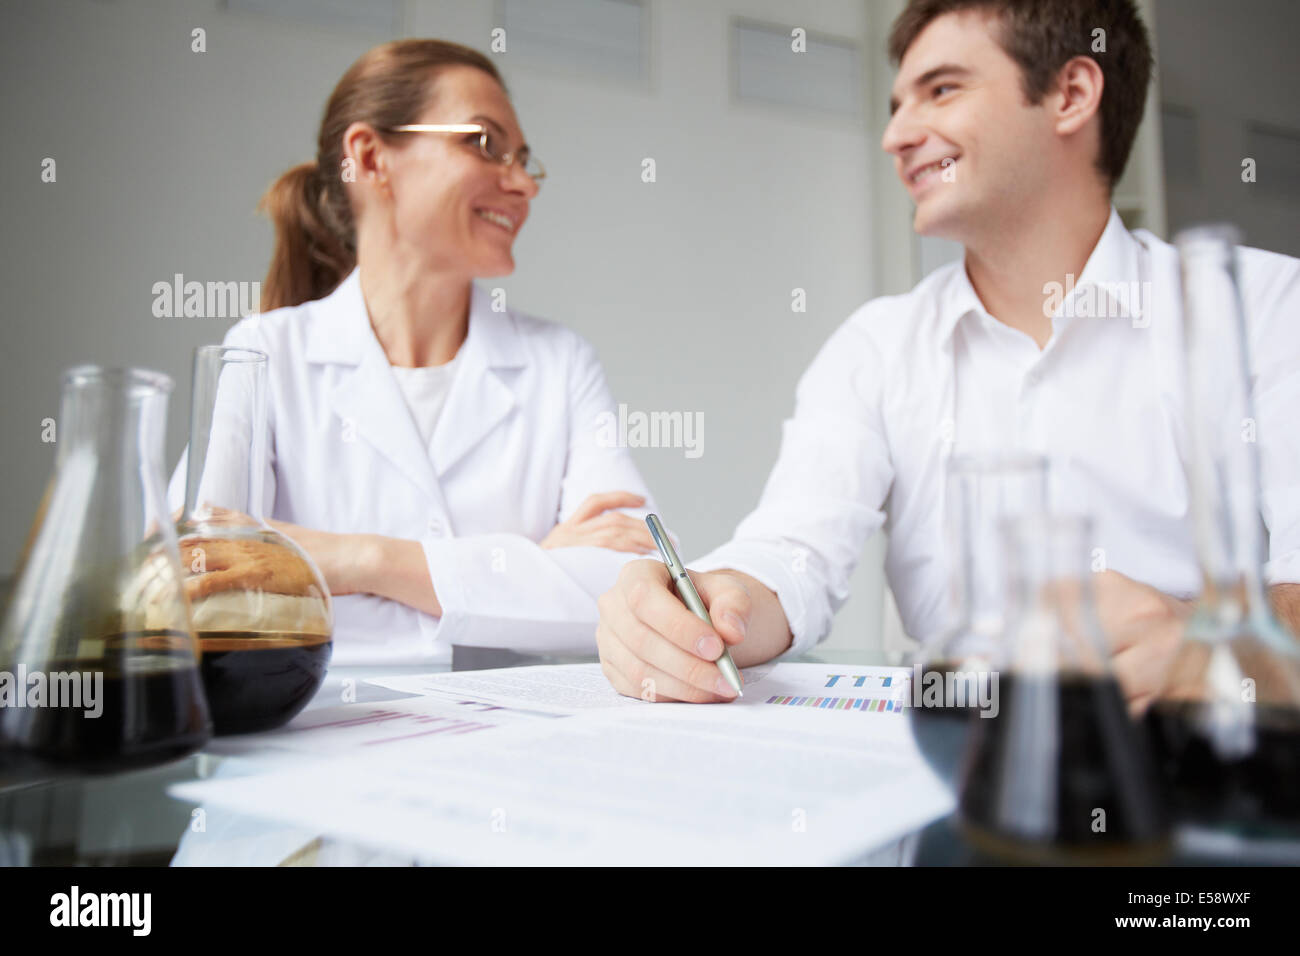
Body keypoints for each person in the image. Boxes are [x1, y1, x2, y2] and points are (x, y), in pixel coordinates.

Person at [595, 0, 1300, 706]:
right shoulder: (876, 345)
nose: (896, 135)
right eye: (898, 103)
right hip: (960, 766)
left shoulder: (1265, 306)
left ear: (1071, 93)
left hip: (1201, 766)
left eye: (941, 90)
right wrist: (715, 605)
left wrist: (1209, 645)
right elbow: (792, 551)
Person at [169, 39, 658, 665]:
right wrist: (531, 565)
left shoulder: (561, 363)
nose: (521, 185)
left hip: (516, 744)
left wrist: (360, 560)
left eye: (524, 160)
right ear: (372, 159)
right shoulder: (262, 354)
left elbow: (633, 586)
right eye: (484, 144)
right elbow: (203, 581)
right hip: (318, 744)